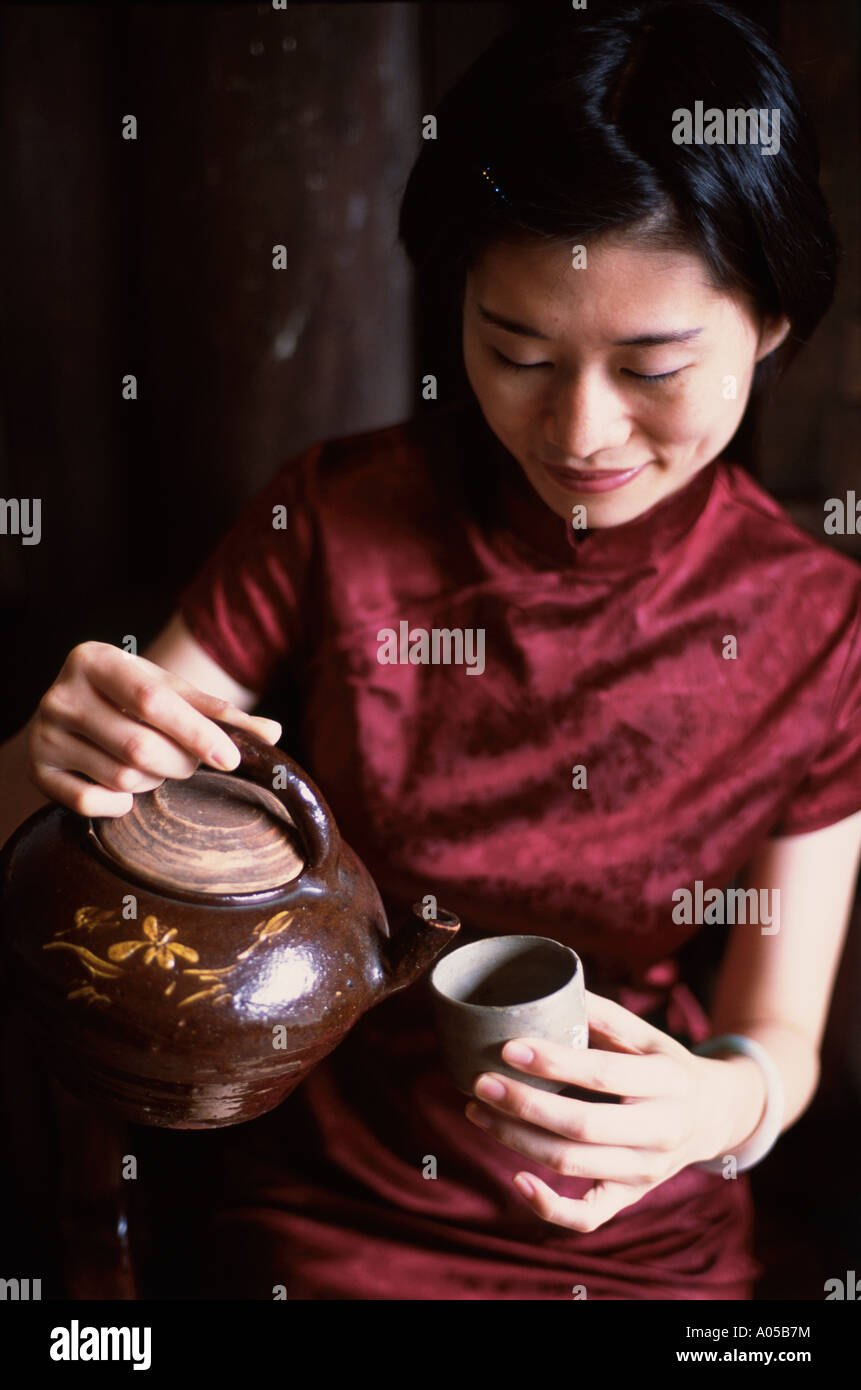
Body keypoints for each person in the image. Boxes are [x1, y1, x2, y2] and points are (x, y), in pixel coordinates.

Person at [5, 0, 861, 1300]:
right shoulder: (339, 518)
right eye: (517, 351)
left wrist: (717, 1108)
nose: (578, 431)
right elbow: (59, 821)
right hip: (337, 1206)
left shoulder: (818, 624)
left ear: (774, 322)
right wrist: (48, 751)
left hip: (642, 1210)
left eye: (651, 368)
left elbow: (776, 1032)